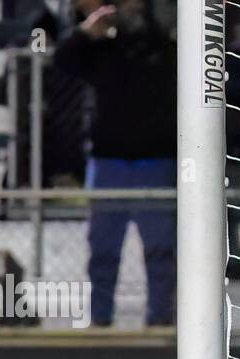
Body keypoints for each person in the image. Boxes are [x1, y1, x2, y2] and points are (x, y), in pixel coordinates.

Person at [54, 0, 175, 327]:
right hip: (108, 162)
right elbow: (63, 60)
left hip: (156, 161)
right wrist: (87, 31)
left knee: (161, 251)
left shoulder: (165, 46)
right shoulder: (102, 48)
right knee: (103, 251)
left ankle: (161, 320)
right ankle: (100, 319)